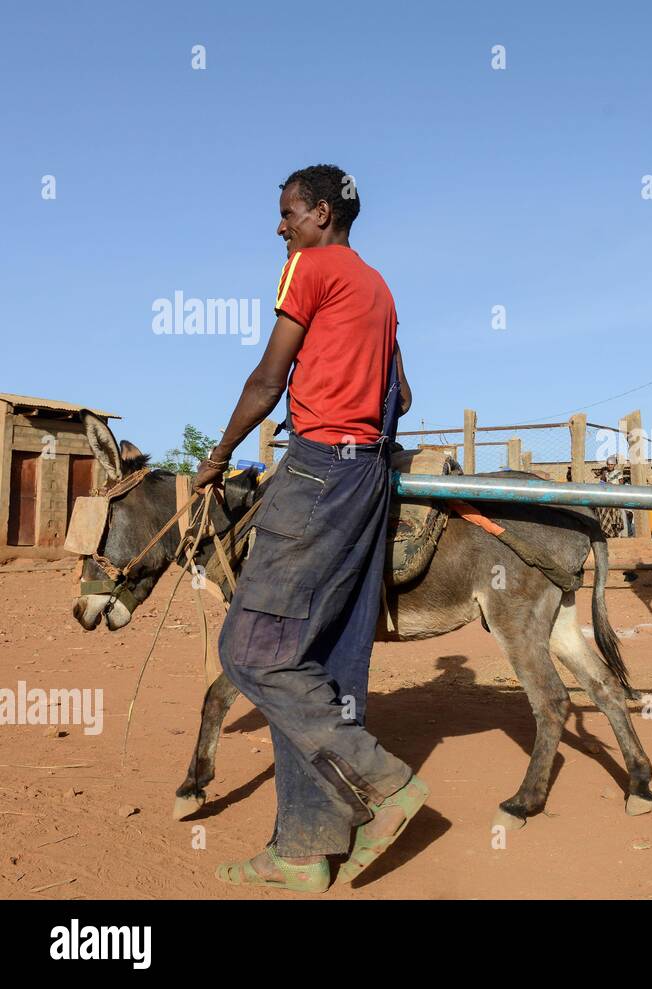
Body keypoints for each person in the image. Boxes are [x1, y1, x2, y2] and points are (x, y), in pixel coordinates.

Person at [192, 164, 427, 893]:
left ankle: (385, 783)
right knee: (312, 660)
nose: (280, 224)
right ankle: (303, 847)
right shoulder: (377, 287)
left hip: (318, 468)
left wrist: (219, 453)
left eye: (289, 211)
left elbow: (268, 379)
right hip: (368, 478)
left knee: (249, 648)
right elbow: (406, 394)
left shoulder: (308, 267)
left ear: (321, 213)